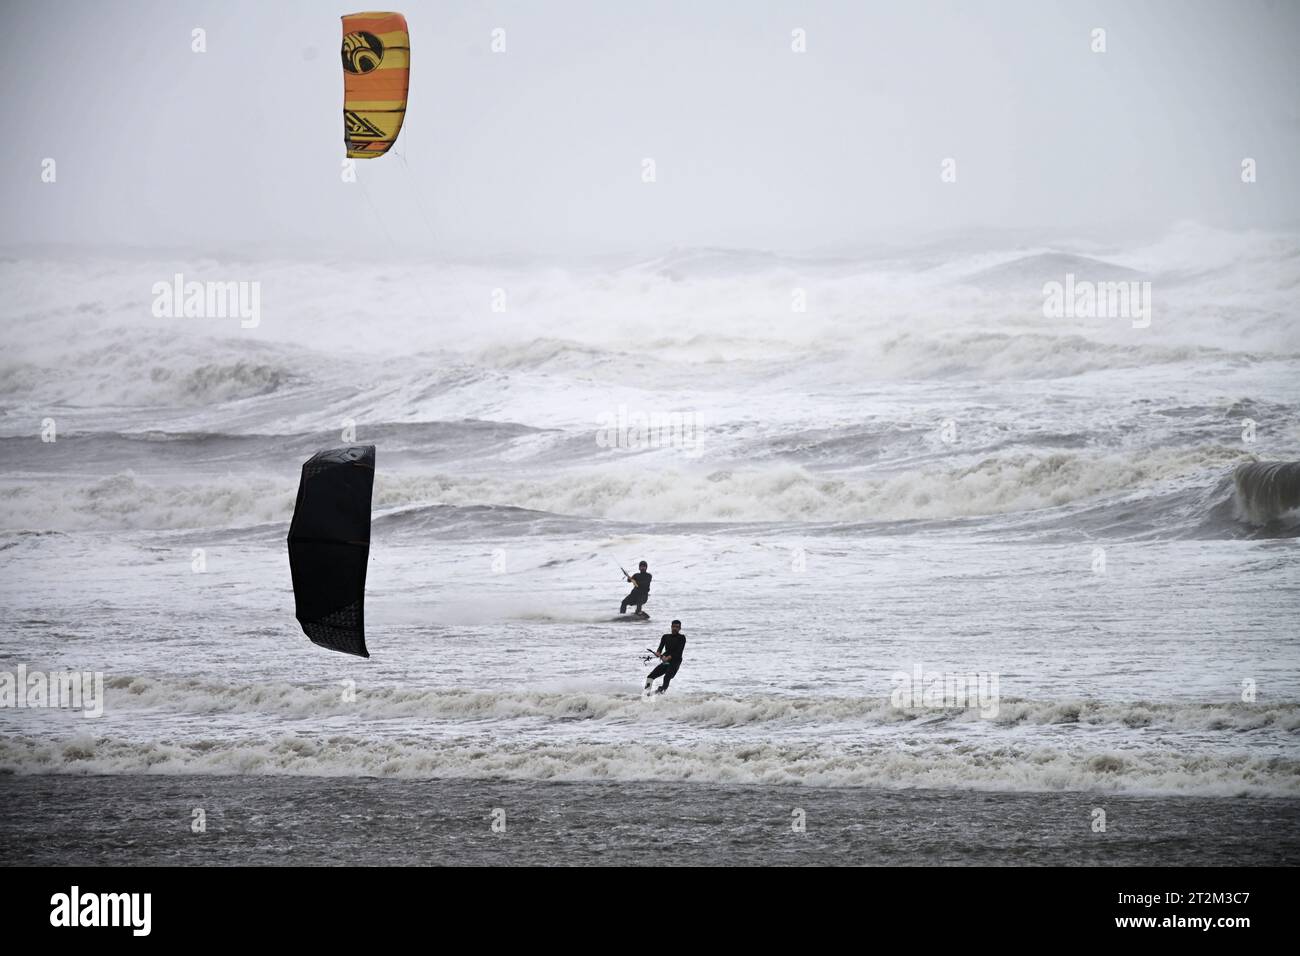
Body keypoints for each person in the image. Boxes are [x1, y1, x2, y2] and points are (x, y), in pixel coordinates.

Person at [645, 619, 686, 694]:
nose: (675, 628)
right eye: (673, 626)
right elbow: (660, 648)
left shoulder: (682, 638)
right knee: (650, 677)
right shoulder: (665, 637)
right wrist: (658, 653)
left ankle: (660, 694)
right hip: (666, 662)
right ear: (671, 627)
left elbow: (678, 651)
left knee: (667, 677)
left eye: (677, 627)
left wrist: (667, 658)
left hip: (675, 662)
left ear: (680, 628)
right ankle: (645, 693)